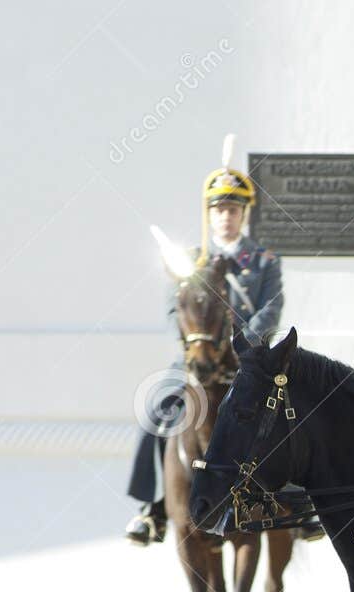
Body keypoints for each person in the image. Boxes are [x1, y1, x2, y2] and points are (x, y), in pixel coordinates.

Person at [124, 146, 299, 544]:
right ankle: (152, 509)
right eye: (219, 210)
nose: (226, 217)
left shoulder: (265, 260)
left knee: (291, 415)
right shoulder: (192, 260)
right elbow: (176, 309)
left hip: (250, 359)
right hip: (199, 357)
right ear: (210, 214)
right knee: (157, 411)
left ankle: (295, 501)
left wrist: (243, 344)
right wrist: (196, 342)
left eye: (233, 210)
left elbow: (271, 309)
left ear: (244, 214)